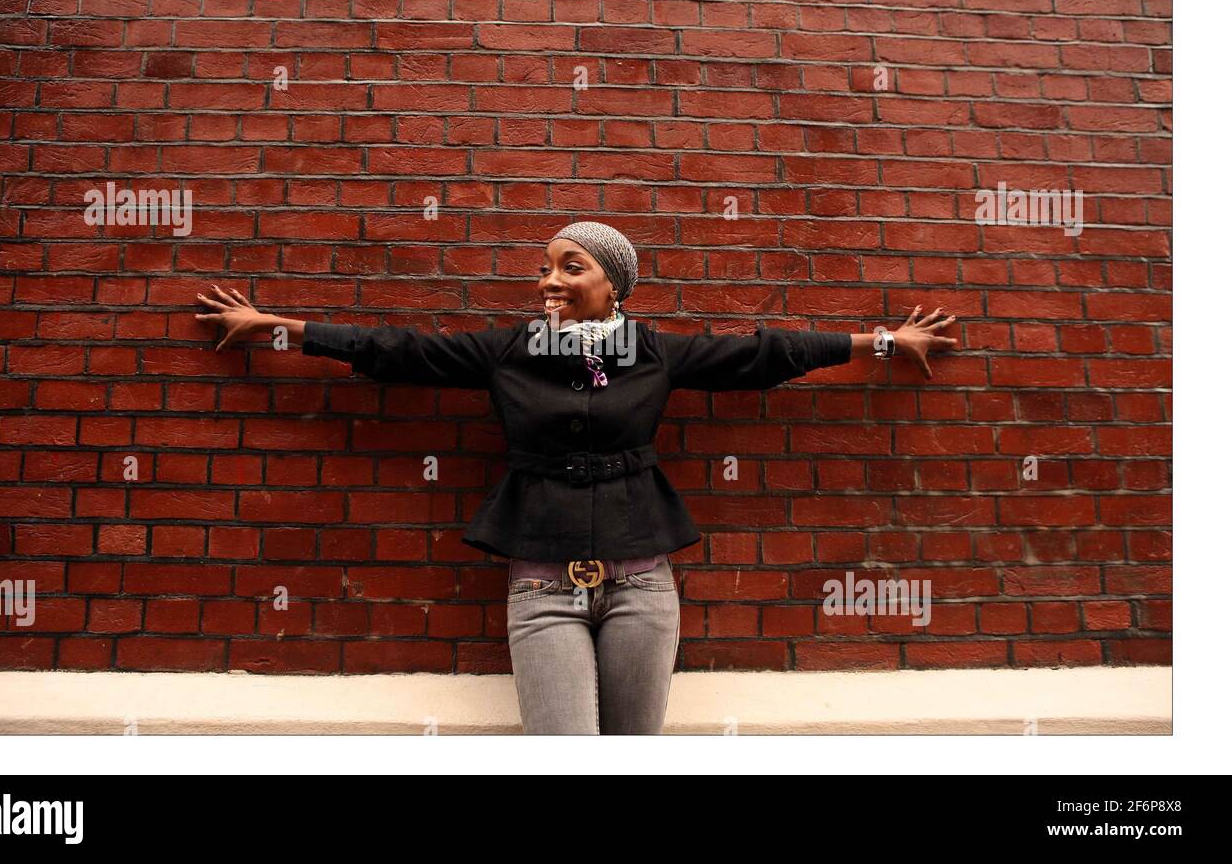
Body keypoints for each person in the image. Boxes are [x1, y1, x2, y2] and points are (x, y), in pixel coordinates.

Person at [193, 221, 959, 734]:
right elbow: (399, 350)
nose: (547, 282)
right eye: (543, 268)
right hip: (542, 589)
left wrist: (885, 342)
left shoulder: (654, 352)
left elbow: (766, 355)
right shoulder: (508, 351)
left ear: (614, 285)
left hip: (642, 585)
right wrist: (279, 330)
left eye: (571, 266)